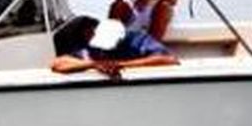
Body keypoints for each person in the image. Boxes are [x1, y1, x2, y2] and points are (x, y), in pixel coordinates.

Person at [51, 17, 179, 79]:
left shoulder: (136, 39)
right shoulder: (93, 46)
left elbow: (169, 59)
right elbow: (58, 63)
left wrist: (122, 65)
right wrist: (93, 64)